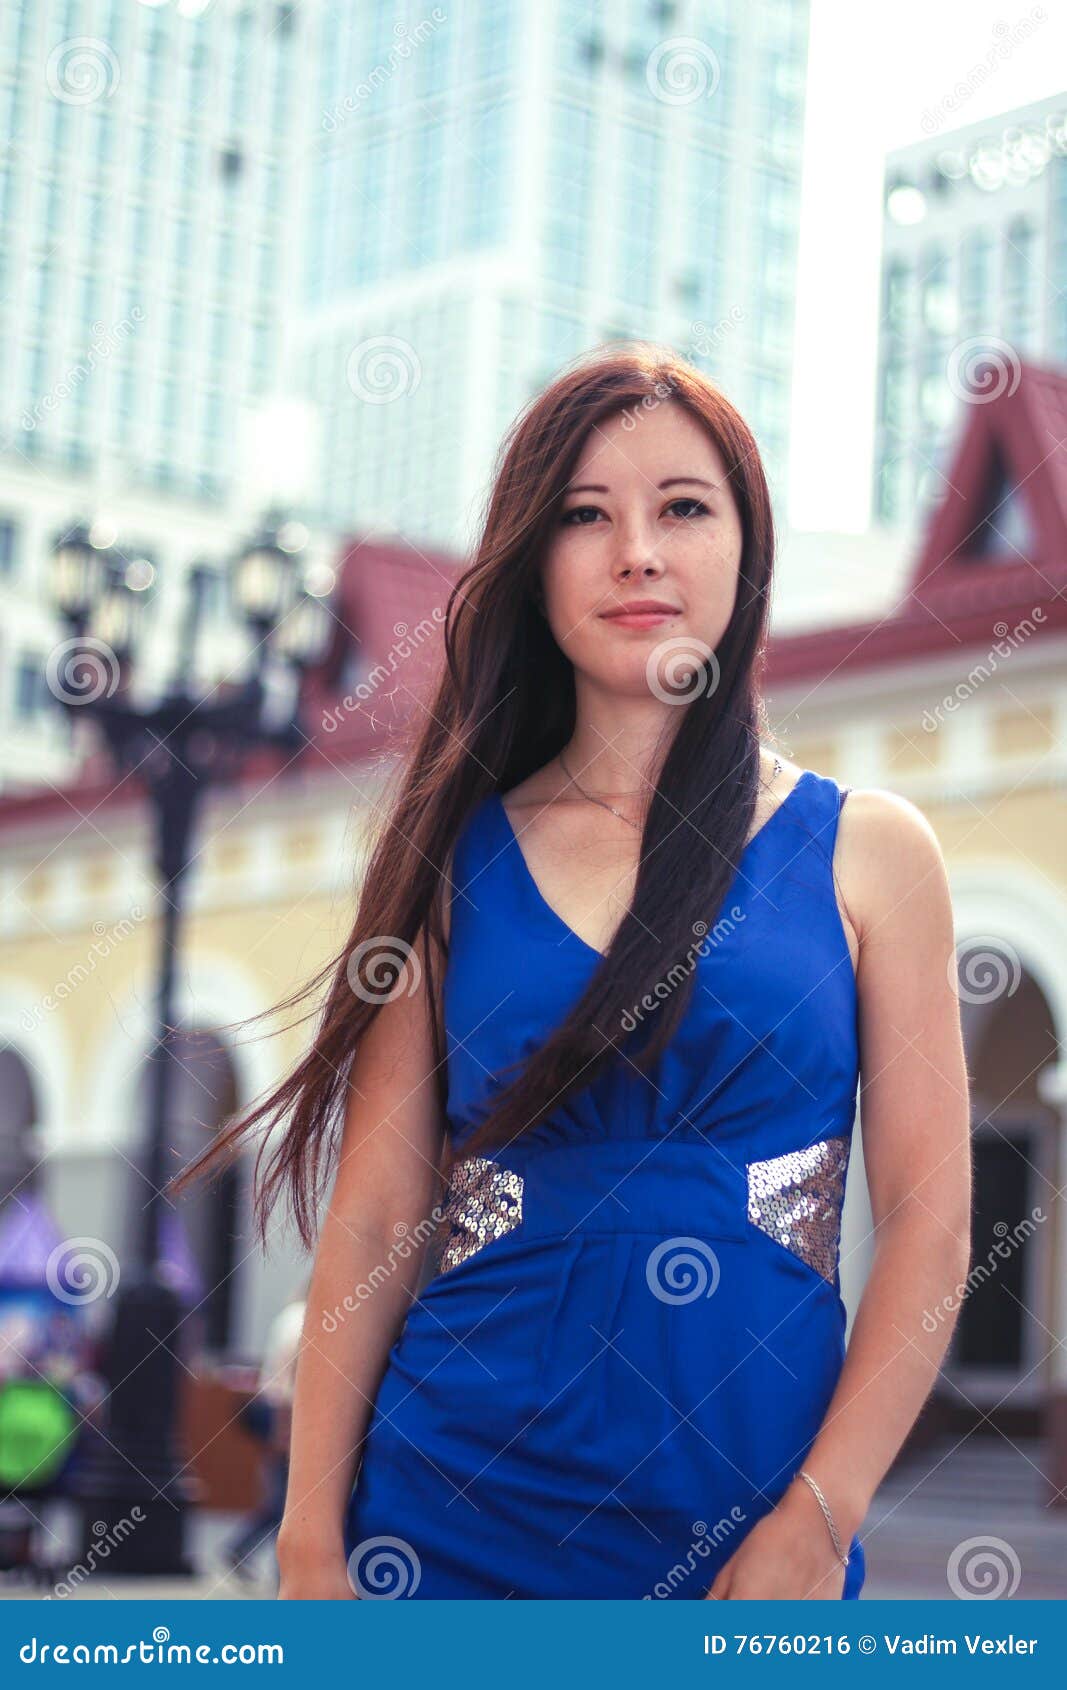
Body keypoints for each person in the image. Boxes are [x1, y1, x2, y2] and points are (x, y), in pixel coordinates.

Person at [170, 344, 972, 1600]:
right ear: (533, 564)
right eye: (584, 516)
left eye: (681, 509)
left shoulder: (871, 852)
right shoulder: (453, 861)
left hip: (753, 1525)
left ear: (745, 552)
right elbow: (378, 1216)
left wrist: (820, 1516)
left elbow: (930, 1222)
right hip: (444, 1513)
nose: (636, 551)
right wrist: (311, 1533)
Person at [223, 1292, 306, 1581]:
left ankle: (252, 1556)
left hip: (270, 1405)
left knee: (280, 1496)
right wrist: (283, 1431)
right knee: (285, 1499)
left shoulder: (288, 1316)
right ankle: (269, 1567)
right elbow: (290, 1379)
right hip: (285, 1413)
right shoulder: (305, 1318)